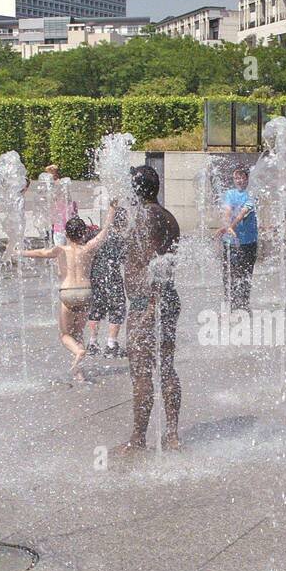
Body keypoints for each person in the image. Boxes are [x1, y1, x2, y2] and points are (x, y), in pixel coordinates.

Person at [116, 165, 182, 452]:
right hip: (166, 298)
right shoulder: (167, 216)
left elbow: (152, 263)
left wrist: (149, 306)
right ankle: (172, 434)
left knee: (142, 372)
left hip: (148, 302)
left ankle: (139, 438)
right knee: (166, 367)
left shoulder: (146, 216)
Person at [22, 212, 117, 382]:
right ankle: (78, 373)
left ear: (66, 234)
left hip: (68, 293)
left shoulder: (60, 250)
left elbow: (42, 253)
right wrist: (112, 210)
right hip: (86, 293)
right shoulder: (88, 248)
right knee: (78, 333)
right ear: (84, 233)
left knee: (65, 335)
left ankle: (79, 352)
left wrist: (20, 252)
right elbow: (105, 231)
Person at [85, 204, 128, 358]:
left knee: (96, 308)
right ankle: (111, 344)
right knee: (117, 308)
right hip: (112, 278)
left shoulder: (100, 236)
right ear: (122, 222)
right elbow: (125, 260)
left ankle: (92, 343)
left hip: (96, 277)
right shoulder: (121, 240)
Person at [217, 165, 258, 312]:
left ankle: (243, 305)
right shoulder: (229, 193)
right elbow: (227, 210)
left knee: (245, 274)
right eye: (236, 178)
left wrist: (230, 227)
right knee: (229, 274)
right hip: (230, 242)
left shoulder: (252, 194)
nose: (239, 180)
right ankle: (230, 305)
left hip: (249, 242)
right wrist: (227, 224)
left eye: (242, 177)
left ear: (247, 179)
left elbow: (242, 213)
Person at [47, 165, 79, 246]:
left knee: (62, 252)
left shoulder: (72, 203)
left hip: (66, 231)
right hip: (61, 231)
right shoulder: (57, 198)